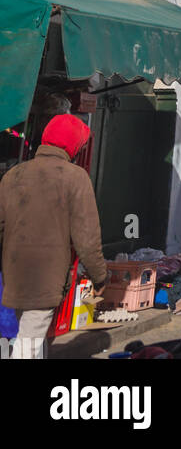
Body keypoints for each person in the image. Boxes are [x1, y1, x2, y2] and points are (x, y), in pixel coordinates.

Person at [0, 115, 106, 359]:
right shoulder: (75, 177)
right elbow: (87, 238)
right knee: (27, 344)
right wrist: (100, 277)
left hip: (15, 274)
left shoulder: (13, 175)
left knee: (32, 338)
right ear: (74, 145)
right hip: (45, 277)